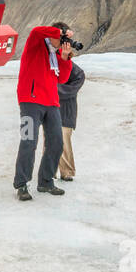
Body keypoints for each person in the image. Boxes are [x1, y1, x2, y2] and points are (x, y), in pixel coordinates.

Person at [13, 22, 73, 200]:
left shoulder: (55, 55)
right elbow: (36, 30)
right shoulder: (36, 42)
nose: (62, 42)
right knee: (28, 141)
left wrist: (64, 57)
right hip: (29, 102)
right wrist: (61, 32)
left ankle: (45, 182)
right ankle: (22, 184)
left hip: (51, 103)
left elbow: (62, 78)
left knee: (56, 143)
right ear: (53, 35)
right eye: (60, 39)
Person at [55, 25, 85, 182]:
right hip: (51, 109)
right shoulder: (50, 62)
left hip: (65, 110)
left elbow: (75, 83)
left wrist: (54, 89)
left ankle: (66, 171)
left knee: (63, 141)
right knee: (50, 141)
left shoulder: (75, 70)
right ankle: (50, 172)